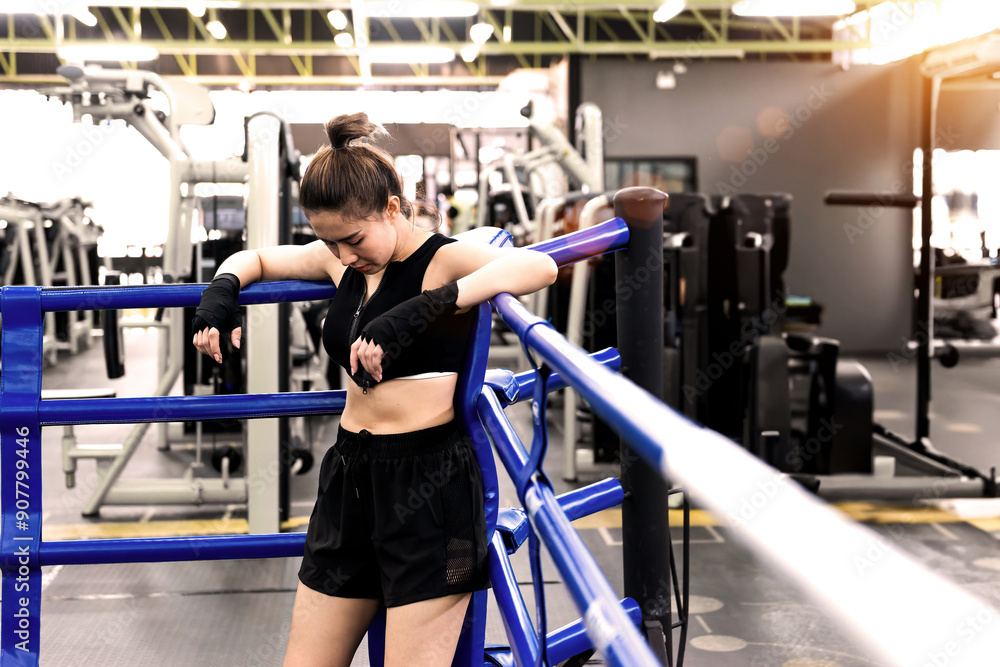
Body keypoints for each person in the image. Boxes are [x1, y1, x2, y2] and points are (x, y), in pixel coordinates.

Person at [191, 112, 558, 667]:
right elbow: (259, 257)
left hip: (432, 491)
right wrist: (221, 293)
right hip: (349, 479)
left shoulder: (441, 259)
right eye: (329, 241)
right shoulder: (345, 262)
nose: (342, 255)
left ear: (391, 208)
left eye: (353, 239)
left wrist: (428, 304)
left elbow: (540, 266)